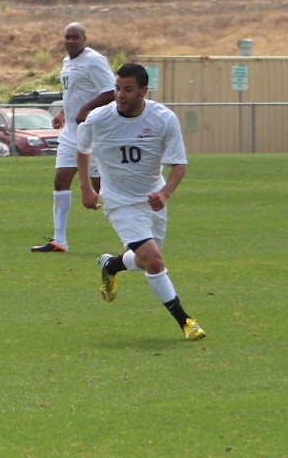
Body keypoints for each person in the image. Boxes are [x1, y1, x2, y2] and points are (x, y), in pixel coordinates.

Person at [77, 63, 205, 341]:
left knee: (147, 259)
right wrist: (86, 187)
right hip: (119, 200)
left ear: (144, 91)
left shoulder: (163, 119)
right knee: (154, 261)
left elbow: (179, 165)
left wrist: (164, 193)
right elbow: (82, 148)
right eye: (117, 88)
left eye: (127, 89)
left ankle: (111, 265)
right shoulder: (99, 118)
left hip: (152, 198)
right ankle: (186, 321)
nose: (120, 95)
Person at [31, 22, 116, 253]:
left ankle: (135, 236)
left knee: (102, 187)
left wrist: (86, 109)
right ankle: (60, 241)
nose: (70, 41)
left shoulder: (94, 61)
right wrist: (62, 112)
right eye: (67, 37)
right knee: (60, 179)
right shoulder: (67, 62)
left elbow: (111, 92)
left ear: (85, 39)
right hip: (70, 132)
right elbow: (73, 93)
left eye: (75, 37)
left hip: (92, 131)